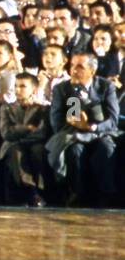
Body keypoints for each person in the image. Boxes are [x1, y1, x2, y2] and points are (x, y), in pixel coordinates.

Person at [46, 50, 119, 206]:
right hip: (74, 134)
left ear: (92, 70)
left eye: (79, 67)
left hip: (99, 133)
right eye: (72, 65)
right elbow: (57, 122)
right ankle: (77, 194)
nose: (74, 70)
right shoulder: (62, 89)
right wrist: (76, 94)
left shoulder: (106, 87)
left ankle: (106, 195)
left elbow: (112, 121)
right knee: (74, 150)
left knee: (105, 148)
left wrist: (91, 126)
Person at [0, 72, 49, 207]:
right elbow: (6, 133)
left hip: (33, 143)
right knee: (16, 151)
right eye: (15, 86)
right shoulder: (7, 108)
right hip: (12, 145)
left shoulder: (42, 109)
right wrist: (27, 128)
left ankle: (39, 190)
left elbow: (42, 132)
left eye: (22, 86)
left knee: (37, 150)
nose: (17, 90)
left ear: (33, 89)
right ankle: (31, 191)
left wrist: (19, 132)